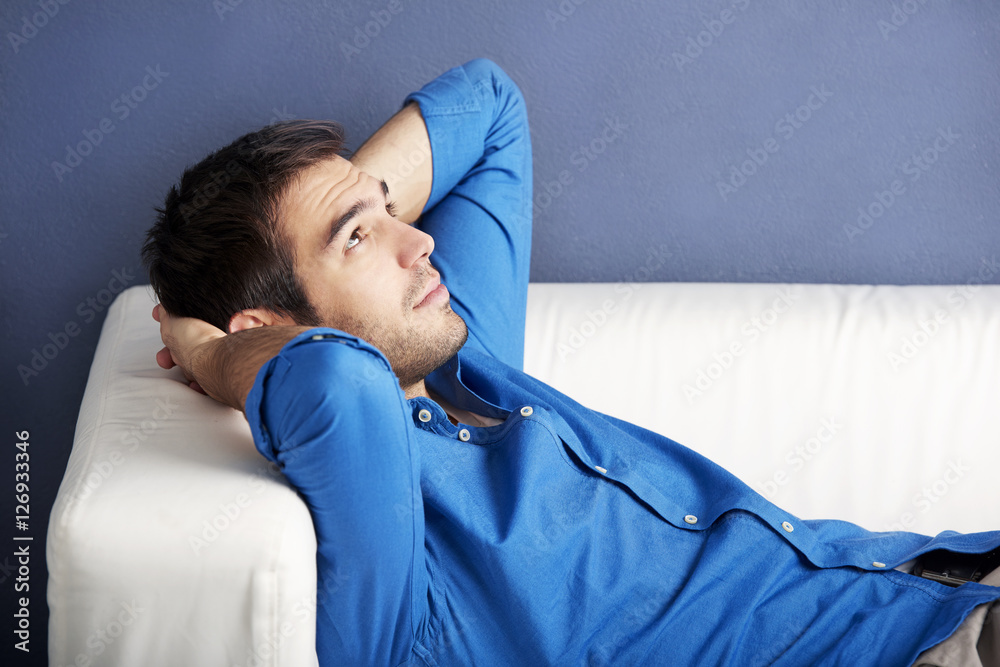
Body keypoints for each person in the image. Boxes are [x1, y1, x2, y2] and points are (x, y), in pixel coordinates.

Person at [143, 58, 1000, 666]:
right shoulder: (398, 565)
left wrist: (346, 208)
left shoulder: (458, 361)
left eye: (390, 210)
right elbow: (336, 380)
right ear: (264, 330)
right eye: (363, 239)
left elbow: (490, 105)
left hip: (943, 574)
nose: (421, 240)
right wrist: (211, 349)